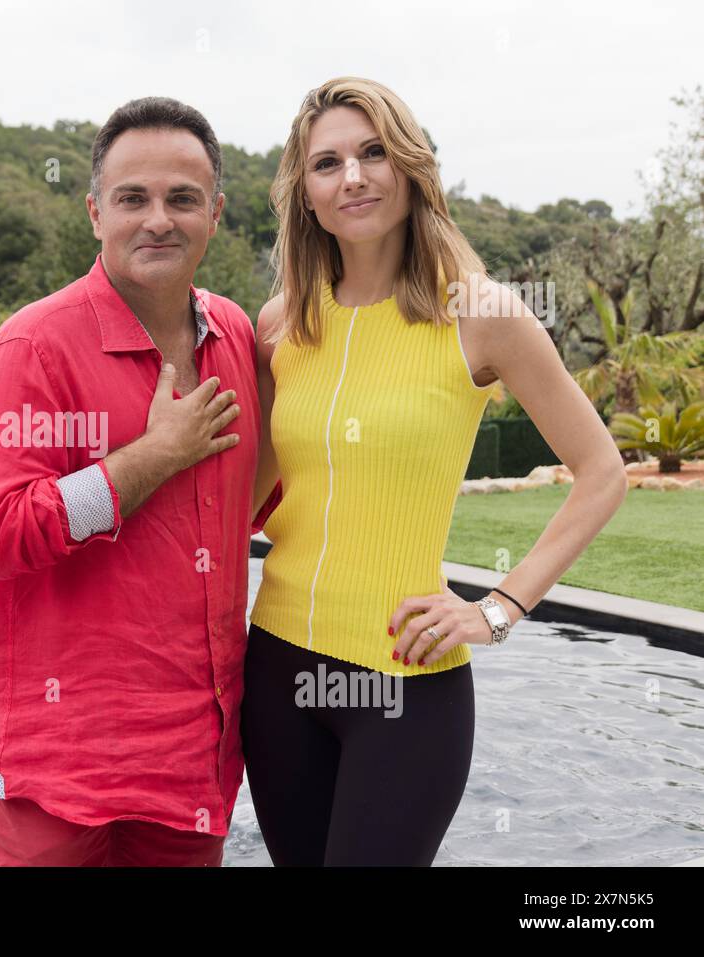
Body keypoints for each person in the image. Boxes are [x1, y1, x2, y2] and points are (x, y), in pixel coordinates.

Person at [243, 77, 628, 866]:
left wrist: (497, 608)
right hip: (276, 672)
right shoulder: (282, 322)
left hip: (405, 684)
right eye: (328, 163)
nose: (353, 176)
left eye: (373, 152)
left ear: (410, 167)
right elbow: (247, 500)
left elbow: (601, 471)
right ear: (306, 194)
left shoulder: (482, 315)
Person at [0, 96, 281, 866]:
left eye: (182, 199)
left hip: (190, 765)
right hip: (59, 772)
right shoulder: (30, 350)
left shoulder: (233, 334)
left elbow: (248, 504)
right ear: (95, 213)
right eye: (133, 198)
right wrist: (149, 457)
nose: (158, 219)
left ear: (216, 213)